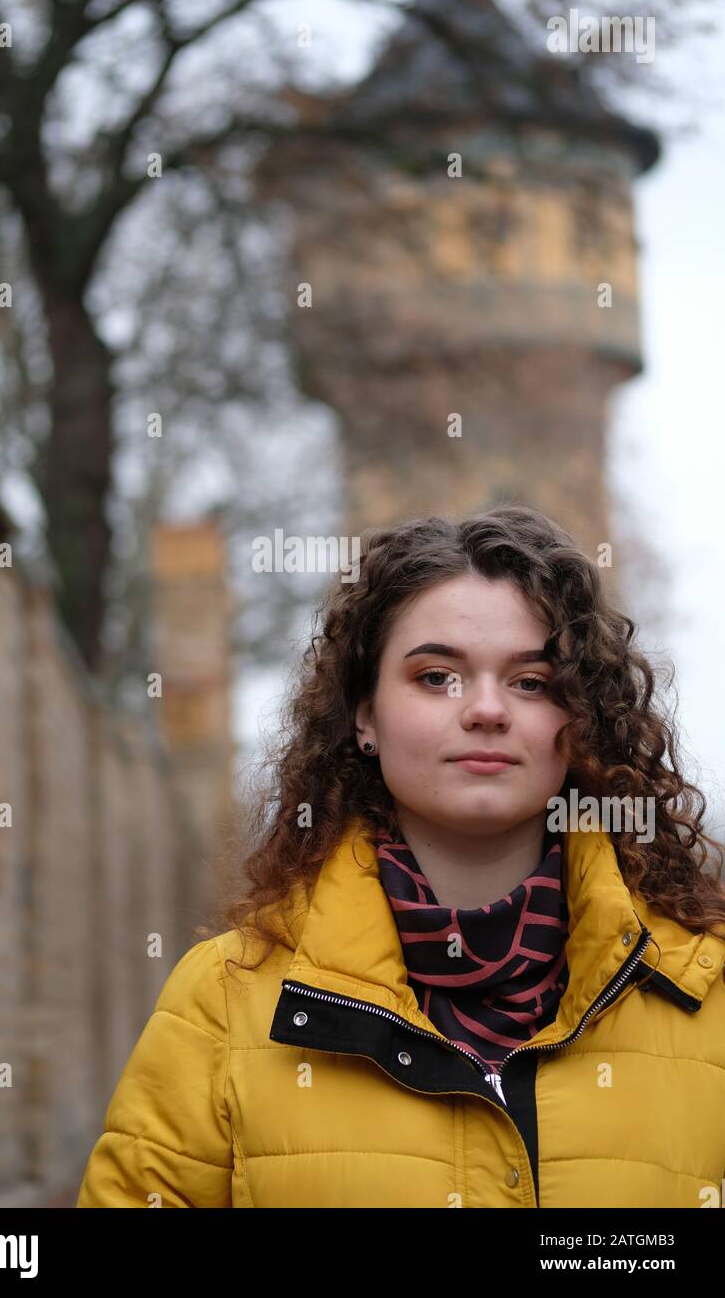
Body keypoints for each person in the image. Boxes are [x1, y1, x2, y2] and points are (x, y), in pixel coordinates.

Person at [76, 504, 725, 1208]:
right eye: (436, 676)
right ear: (365, 717)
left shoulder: (707, 995)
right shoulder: (223, 1000)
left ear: (580, 720)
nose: (485, 709)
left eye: (530, 682)